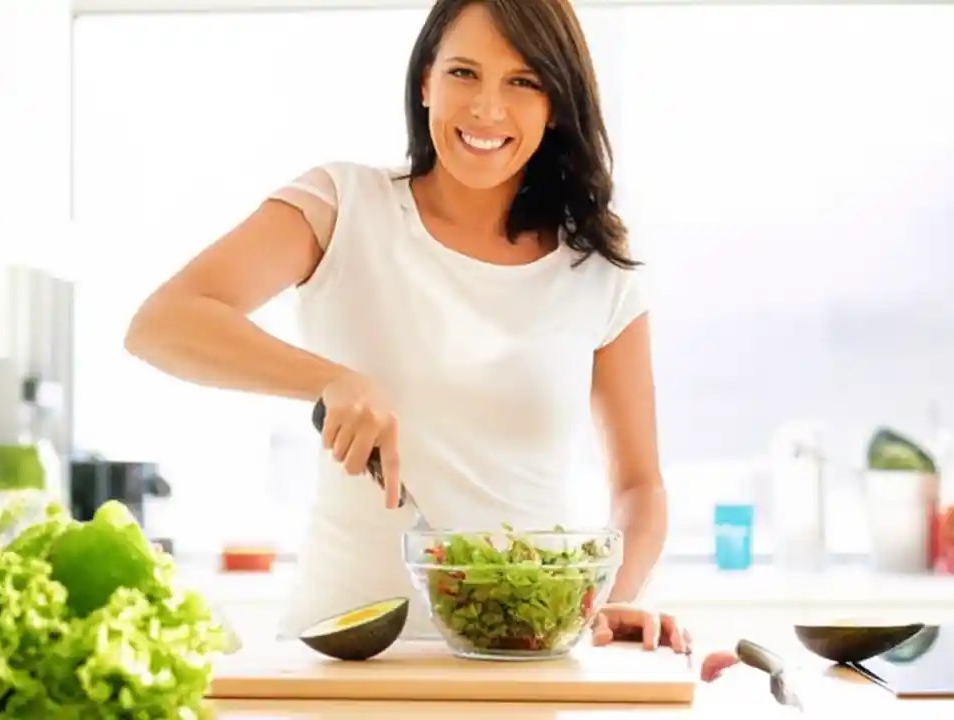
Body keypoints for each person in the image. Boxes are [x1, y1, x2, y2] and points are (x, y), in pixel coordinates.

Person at [124, 0, 738, 678]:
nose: (486, 109)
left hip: (526, 663)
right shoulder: (344, 204)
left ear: (556, 106)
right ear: (425, 83)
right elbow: (163, 323)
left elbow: (640, 486)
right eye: (464, 73)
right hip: (344, 663)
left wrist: (609, 601)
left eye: (523, 82)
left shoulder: (596, 267)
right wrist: (330, 379)